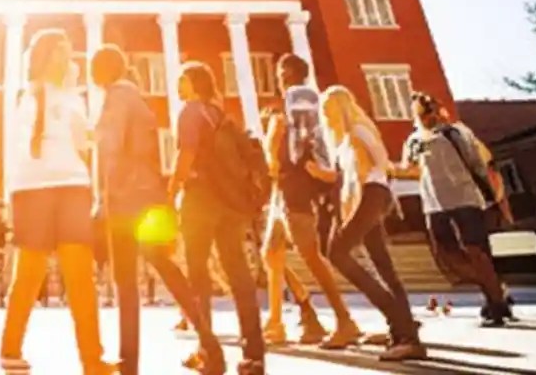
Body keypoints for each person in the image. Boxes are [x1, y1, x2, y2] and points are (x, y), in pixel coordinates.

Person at [92, 46, 226, 375]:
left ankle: (129, 363)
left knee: (126, 282)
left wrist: (100, 199)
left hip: (125, 202)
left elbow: (110, 150)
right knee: (165, 267)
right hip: (150, 198)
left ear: (102, 72)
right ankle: (211, 345)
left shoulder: (116, 98)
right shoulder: (139, 101)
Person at [0, 28, 114, 374]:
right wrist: (10, 196)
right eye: (61, 52)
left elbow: (84, 140)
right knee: (29, 274)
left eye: (69, 51)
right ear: (45, 57)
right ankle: (10, 348)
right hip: (32, 190)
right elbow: (19, 147)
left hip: (73, 185)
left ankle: (92, 359)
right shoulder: (28, 95)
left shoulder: (74, 97)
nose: (69, 58)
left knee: (80, 276)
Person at [169, 61, 267, 375]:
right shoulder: (223, 115)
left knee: (197, 276)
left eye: (182, 79)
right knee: (238, 274)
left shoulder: (190, 112)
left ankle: (208, 352)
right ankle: (254, 354)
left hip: (200, 199)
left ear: (193, 82)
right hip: (231, 203)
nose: (177, 85)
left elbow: (186, 154)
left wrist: (170, 192)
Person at [314, 86, 425, 361]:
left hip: (372, 195)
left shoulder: (359, 130)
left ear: (341, 107)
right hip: (367, 197)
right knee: (382, 265)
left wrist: (379, 194)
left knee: (336, 252)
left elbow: (382, 166)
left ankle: (398, 319)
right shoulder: (343, 141)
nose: (326, 117)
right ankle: (404, 335)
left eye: (328, 110)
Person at [260, 54, 361, 348]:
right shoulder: (291, 100)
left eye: (280, 70)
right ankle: (277, 322)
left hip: (295, 184)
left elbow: (303, 137)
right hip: (284, 186)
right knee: (271, 252)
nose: (277, 75)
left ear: (290, 72)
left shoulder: (300, 94)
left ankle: (344, 320)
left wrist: (291, 158)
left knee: (310, 254)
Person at [397, 92, 513, 326]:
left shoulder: (455, 132)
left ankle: (496, 305)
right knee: (446, 257)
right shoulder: (413, 141)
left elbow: (478, 165)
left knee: (476, 252)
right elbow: (409, 169)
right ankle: (495, 289)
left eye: (428, 110)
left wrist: (494, 198)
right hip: (434, 204)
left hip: (464, 199)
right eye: (420, 112)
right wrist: (387, 169)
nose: (425, 116)